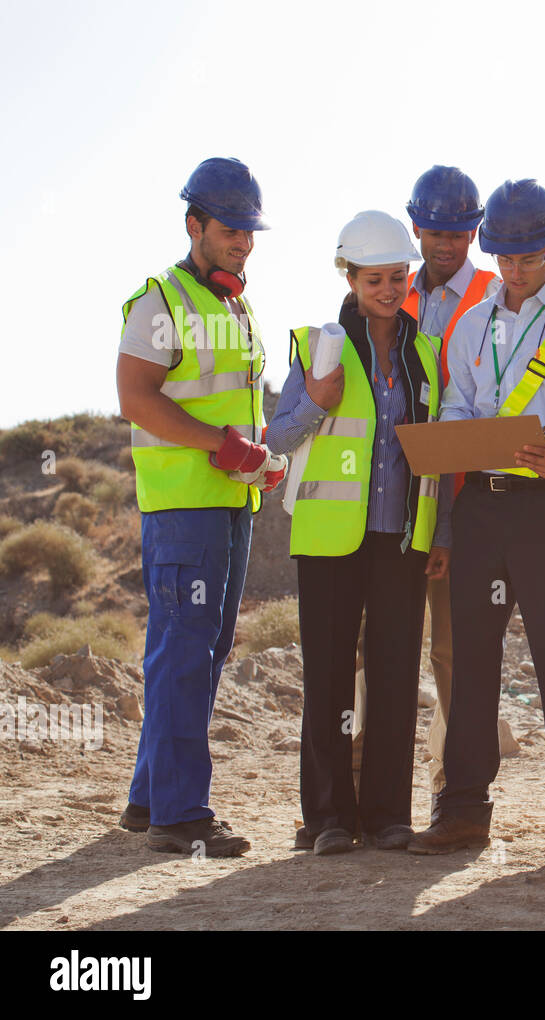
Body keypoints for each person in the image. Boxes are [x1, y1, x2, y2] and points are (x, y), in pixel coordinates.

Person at [406, 179, 545, 860]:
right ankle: (463, 809)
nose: (513, 270)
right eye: (503, 256)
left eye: (527, 257)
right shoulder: (470, 328)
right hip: (480, 508)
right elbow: (457, 407)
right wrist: (456, 438)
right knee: (469, 659)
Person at [116, 157, 281, 857]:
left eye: (250, 229)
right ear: (195, 226)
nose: (243, 241)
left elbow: (233, 406)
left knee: (203, 649)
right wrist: (225, 448)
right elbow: (138, 398)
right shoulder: (160, 302)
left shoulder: (236, 307)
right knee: (183, 651)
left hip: (230, 504)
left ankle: (150, 798)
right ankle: (182, 814)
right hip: (184, 508)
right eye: (231, 228)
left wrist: (259, 460)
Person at [267, 210, 444, 855]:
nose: (391, 290)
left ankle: (389, 815)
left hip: (400, 537)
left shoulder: (425, 352)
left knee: (397, 675)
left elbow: (434, 450)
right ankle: (328, 819)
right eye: (376, 279)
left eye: (398, 277)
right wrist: (316, 397)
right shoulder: (319, 346)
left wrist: (439, 534)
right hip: (328, 537)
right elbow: (279, 437)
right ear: (350, 278)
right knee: (329, 677)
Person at [400, 165, 500, 798]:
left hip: (468, 500)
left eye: (460, 232)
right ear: (416, 226)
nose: (447, 244)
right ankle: (360, 792)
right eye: (436, 230)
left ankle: (453, 790)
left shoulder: (498, 293)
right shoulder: (388, 291)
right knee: (374, 647)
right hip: (394, 499)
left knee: (455, 653)